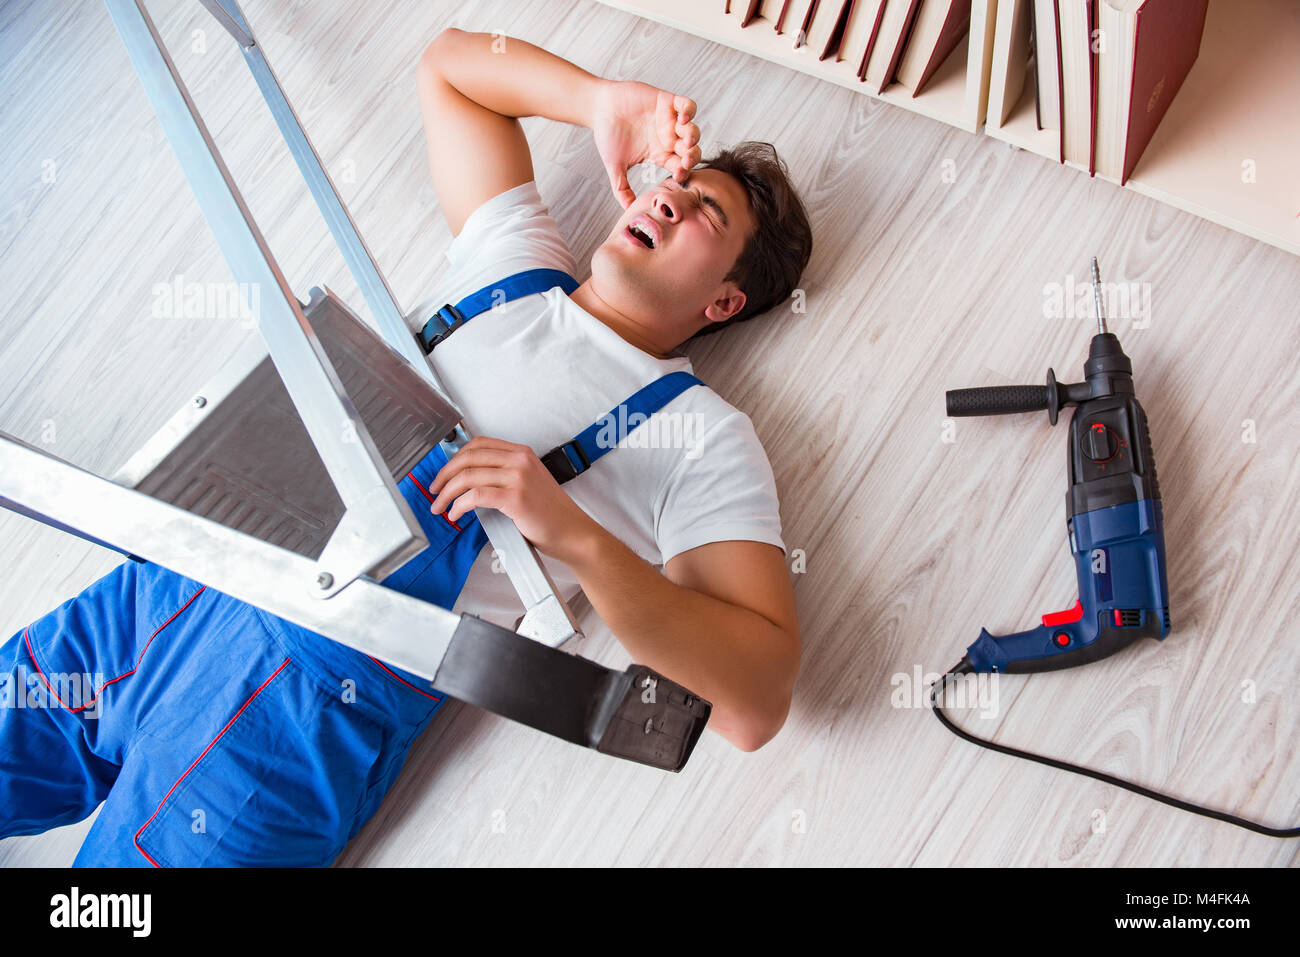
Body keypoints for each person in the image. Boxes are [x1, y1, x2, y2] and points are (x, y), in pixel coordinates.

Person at [0, 27, 813, 867]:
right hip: (186, 565)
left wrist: (570, 531)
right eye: (673, 184)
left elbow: (758, 699)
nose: (665, 200)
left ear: (724, 301)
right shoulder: (518, 258)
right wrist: (600, 101)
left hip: (294, 715)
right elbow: (453, 70)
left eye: (704, 213)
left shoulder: (699, 434)